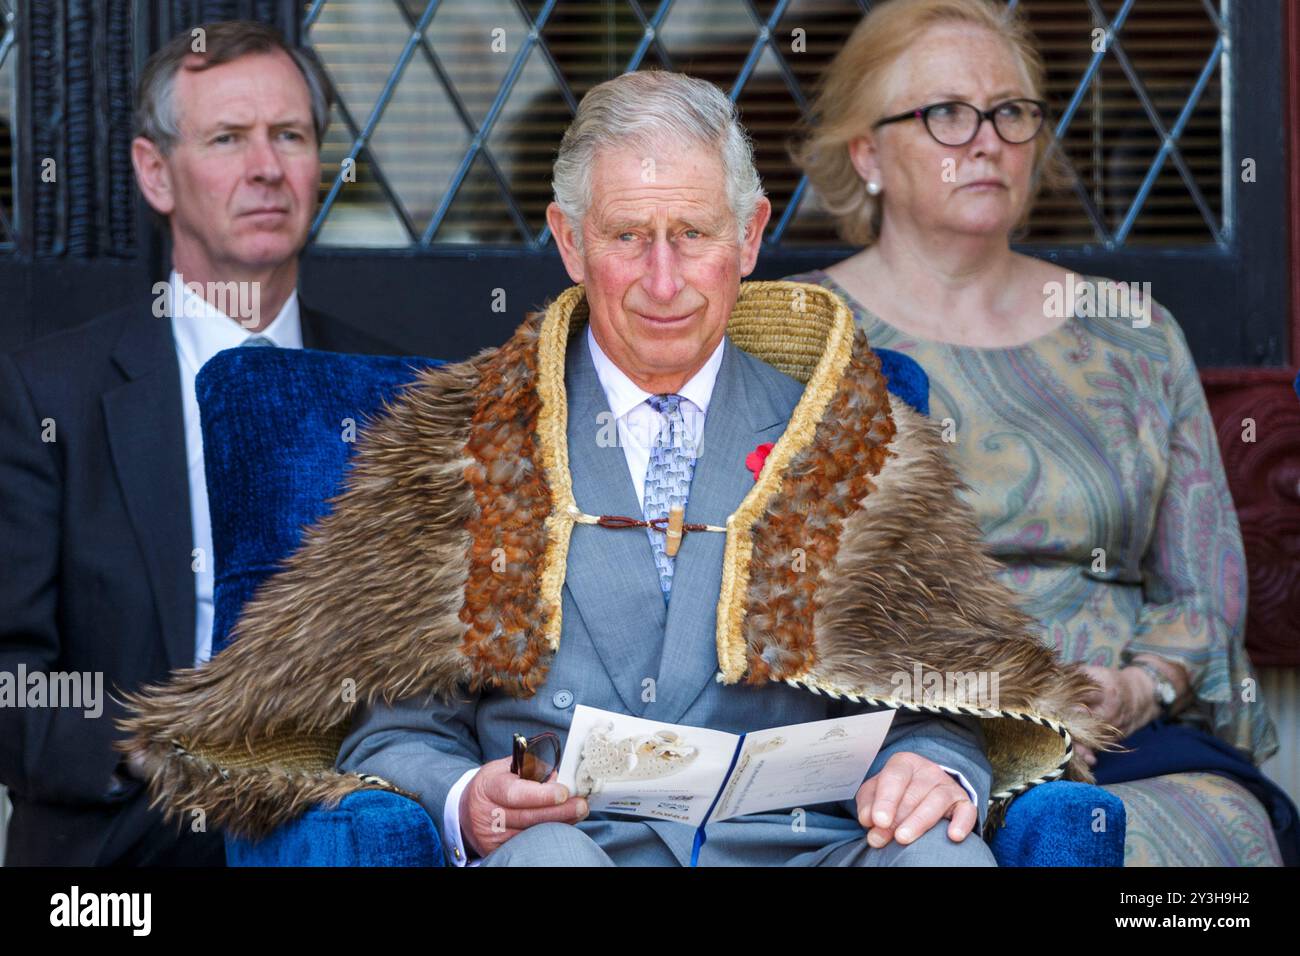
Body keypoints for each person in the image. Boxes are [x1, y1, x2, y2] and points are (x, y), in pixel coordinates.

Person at [116, 69, 1112, 868]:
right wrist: (469, 800)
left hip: (811, 848)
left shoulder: (851, 427)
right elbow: (385, 734)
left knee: (942, 852)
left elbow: (954, 695)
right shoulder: (460, 437)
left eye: (694, 235)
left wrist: (938, 769)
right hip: (566, 848)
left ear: (751, 236)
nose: (665, 281)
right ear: (568, 241)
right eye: (630, 239)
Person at [787, 0, 1285, 865]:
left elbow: (1201, 591)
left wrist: (1137, 686)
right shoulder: (801, 343)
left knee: (1220, 839)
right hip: (895, 753)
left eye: (1011, 112)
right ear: (866, 152)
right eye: (946, 113)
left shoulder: (1131, 335)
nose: (986, 140)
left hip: (1125, 749)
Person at [0, 20, 398, 866]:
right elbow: (12, 676)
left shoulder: (391, 392)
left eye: (289, 135)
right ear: (156, 172)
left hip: (348, 824)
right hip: (129, 841)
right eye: (227, 138)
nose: (266, 167)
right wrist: (159, 744)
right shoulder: (48, 396)